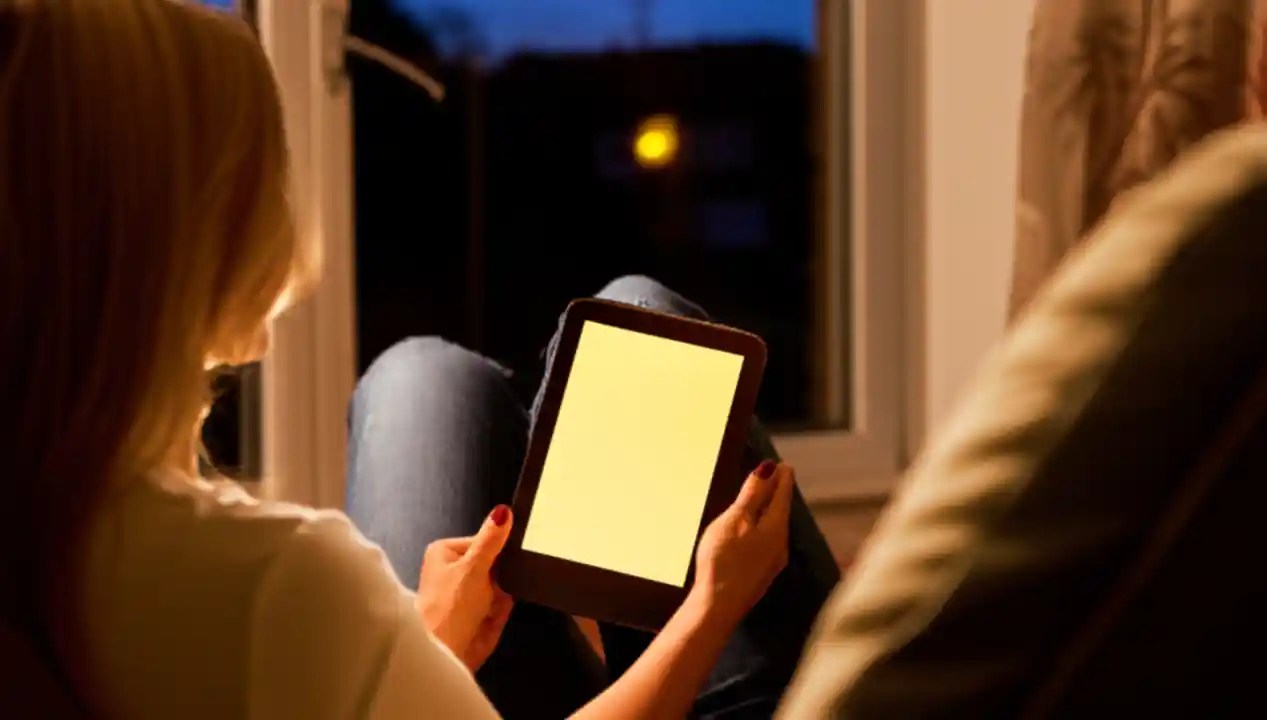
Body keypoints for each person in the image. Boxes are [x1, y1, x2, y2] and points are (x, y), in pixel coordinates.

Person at [0, 1, 839, 718]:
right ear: (216, 242)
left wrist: (415, 654)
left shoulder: (48, 550)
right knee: (640, 314)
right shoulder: (279, 585)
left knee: (423, 376)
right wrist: (714, 603)